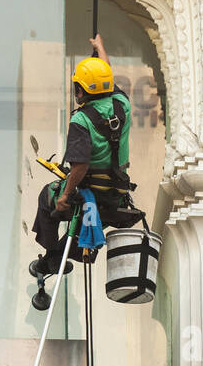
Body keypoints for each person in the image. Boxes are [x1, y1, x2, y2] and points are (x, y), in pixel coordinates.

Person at [31, 34, 144, 279]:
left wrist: (65, 195)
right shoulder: (120, 103)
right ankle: (56, 258)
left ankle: (52, 254)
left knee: (47, 197)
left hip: (90, 189)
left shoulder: (80, 120)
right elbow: (106, 78)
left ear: (80, 89)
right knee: (73, 213)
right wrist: (100, 48)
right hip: (117, 191)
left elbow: (80, 167)